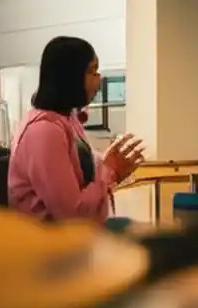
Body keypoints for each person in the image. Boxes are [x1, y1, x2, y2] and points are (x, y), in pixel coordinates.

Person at [8, 36, 145, 224]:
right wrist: (110, 172)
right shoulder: (44, 131)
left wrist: (111, 169)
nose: (99, 79)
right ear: (70, 76)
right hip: (47, 239)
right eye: (91, 71)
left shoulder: (67, 119)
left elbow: (87, 175)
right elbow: (71, 214)